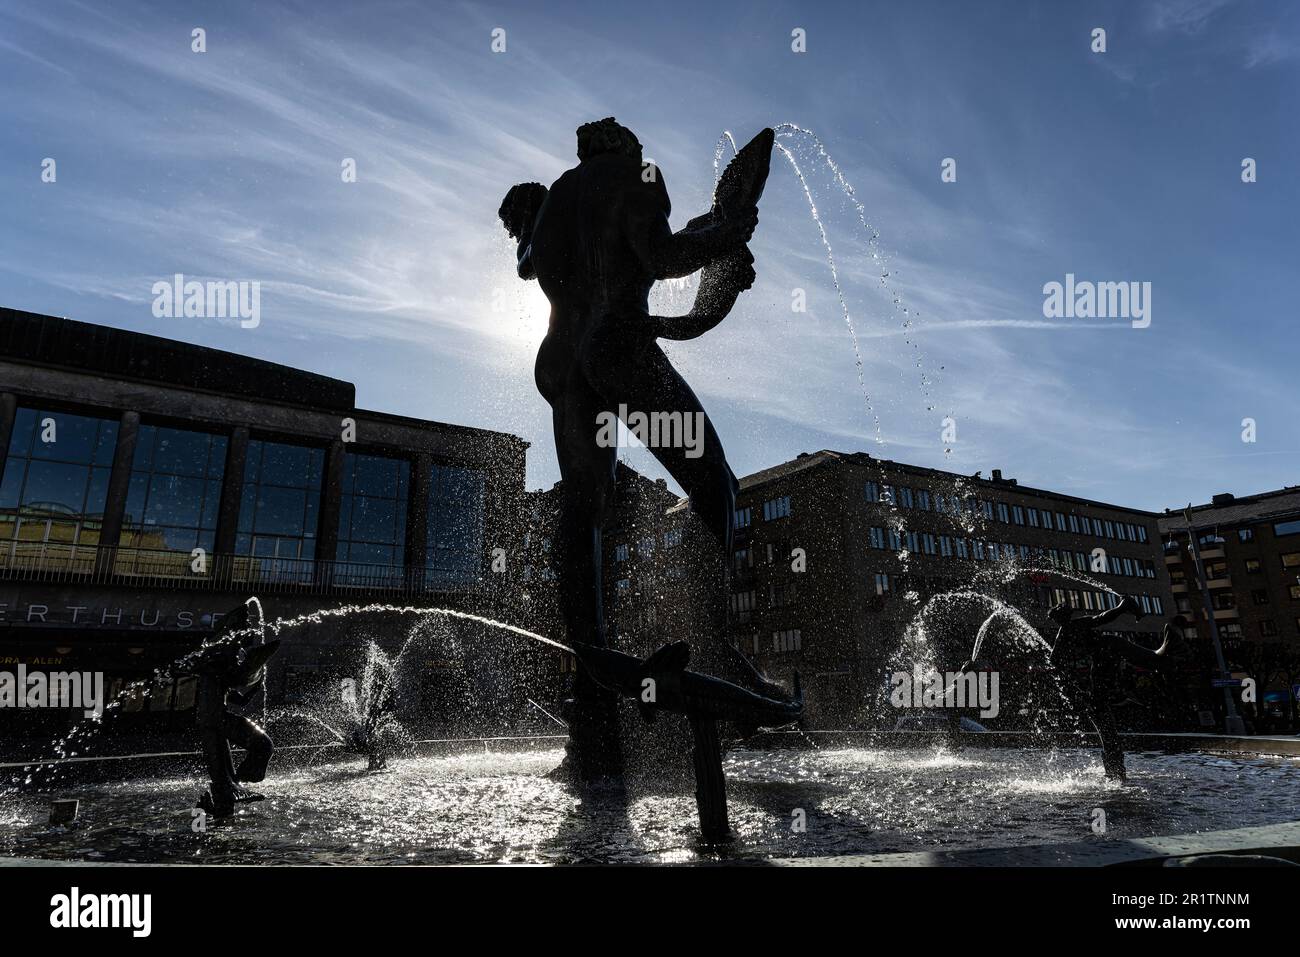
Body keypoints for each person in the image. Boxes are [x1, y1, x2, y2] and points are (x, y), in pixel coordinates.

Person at [499, 119, 781, 781]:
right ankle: (719, 650)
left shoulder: (557, 201)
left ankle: (592, 690)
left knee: (585, 507)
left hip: (563, 367)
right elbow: (659, 258)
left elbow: (533, 263)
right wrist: (724, 234)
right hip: (620, 353)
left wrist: (713, 266)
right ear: (624, 147)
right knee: (716, 483)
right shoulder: (638, 176)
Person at [1048, 597, 1178, 781]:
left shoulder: (1064, 633)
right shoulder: (1072, 628)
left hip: (1096, 666)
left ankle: (1115, 771)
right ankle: (1155, 662)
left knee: (1106, 724)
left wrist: (1071, 672)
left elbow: (1054, 660)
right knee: (1115, 648)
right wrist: (1121, 607)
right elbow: (1102, 618)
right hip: (1100, 660)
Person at [190, 599, 279, 817]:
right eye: (246, 625)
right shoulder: (219, 653)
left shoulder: (224, 653)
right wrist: (255, 665)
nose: (250, 629)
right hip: (214, 718)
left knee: (227, 769)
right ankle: (230, 791)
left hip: (216, 717)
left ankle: (225, 797)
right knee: (262, 745)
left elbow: (239, 700)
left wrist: (256, 684)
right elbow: (235, 677)